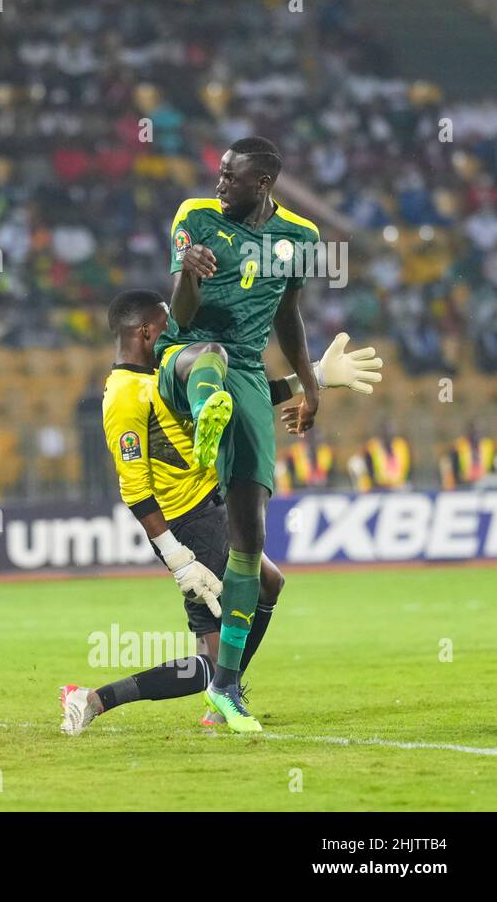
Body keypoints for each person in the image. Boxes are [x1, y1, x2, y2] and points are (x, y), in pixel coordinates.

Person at [61, 291, 383, 735]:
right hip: (189, 521)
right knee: (256, 599)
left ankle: (120, 697)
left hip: (209, 506)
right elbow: (134, 488)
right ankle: (211, 691)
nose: (175, 331)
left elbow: (246, 394)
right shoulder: (123, 395)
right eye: (166, 324)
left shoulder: (163, 376)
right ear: (145, 332)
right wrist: (178, 559)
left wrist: (318, 377)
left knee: (223, 641)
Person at [157, 138, 377, 731]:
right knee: (208, 356)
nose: (220, 181)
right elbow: (178, 315)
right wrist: (191, 274)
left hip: (251, 372)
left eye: (232, 175)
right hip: (185, 357)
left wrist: (309, 385)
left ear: (265, 182)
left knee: (249, 537)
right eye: (220, 170)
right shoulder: (194, 217)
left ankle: (225, 686)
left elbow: (289, 313)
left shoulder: (301, 239)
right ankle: (208, 408)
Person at [348, 421, 411, 492]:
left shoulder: (400, 445)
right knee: (356, 463)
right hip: (377, 487)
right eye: (385, 434)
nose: (387, 436)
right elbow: (357, 460)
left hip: (398, 487)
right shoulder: (373, 446)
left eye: (389, 433)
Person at [439, 423, 495, 491]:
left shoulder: (488, 444)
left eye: (476, 431)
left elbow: (493, 463)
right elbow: (451, 463)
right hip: (465, 481)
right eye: (472, 431)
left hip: (486, 480)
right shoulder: (460, 444)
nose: (474, 435)